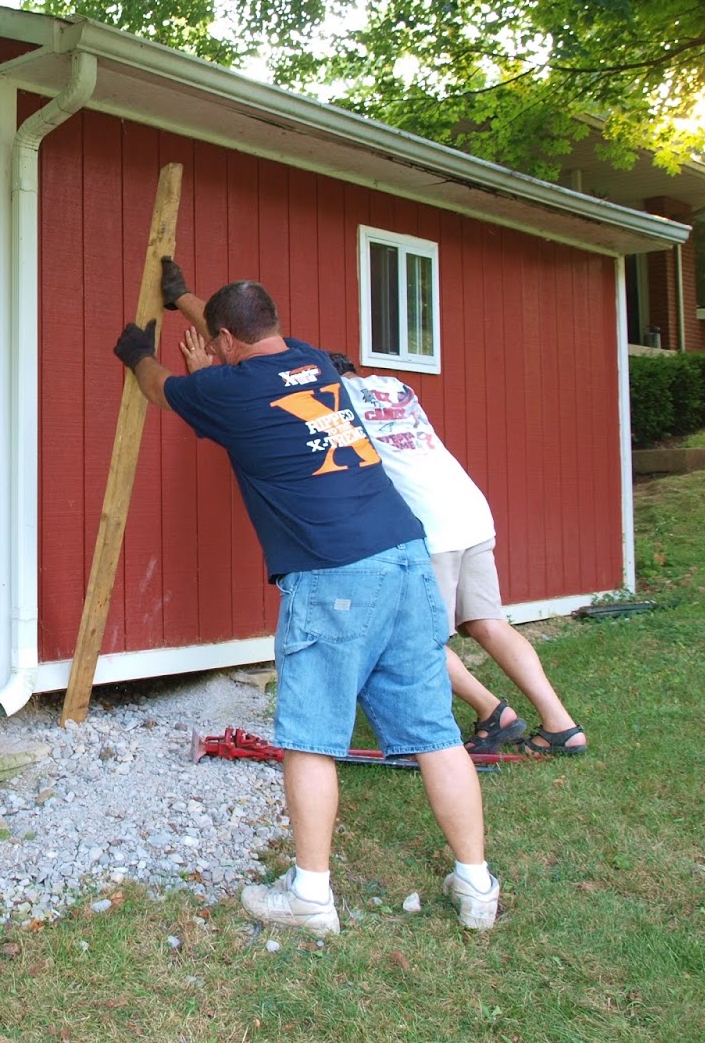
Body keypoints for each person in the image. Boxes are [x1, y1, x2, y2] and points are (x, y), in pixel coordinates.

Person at [111, 259, 500, 933]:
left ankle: (311, 897)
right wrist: (183, 299)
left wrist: (139, 352)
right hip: (405, 555)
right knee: (436, 734)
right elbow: (234, 336)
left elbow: (158, 389)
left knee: (311, 738)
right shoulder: (315, 361)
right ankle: (476, 887)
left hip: (334, 576)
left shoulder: (227, 393)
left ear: (226, 341)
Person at [328, 353, 588, 758]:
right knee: (490, 624)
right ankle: (561, 727)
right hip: (470, 512)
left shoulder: (335, 399)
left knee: (414, 639)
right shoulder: (395, 387)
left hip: (431, 526)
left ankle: (493, 712)